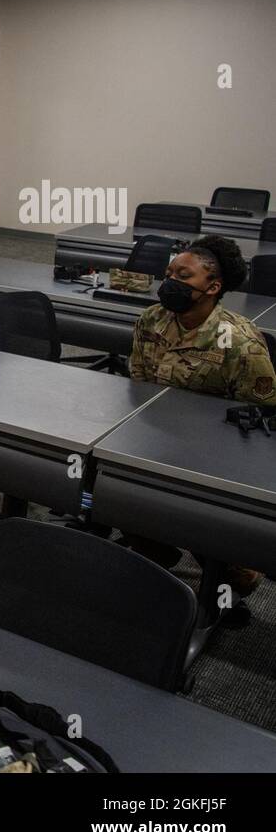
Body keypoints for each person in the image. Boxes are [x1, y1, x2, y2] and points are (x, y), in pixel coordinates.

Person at [128, 234, 275, 595]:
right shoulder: (152, 320)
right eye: (169, 273)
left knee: (204, 526)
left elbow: (262, 415)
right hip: (157, 433)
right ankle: (153, 544)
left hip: (216, 449)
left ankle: (231, 567)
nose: (170, 283)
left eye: (183, 276)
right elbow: (138, 383)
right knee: (117, 484)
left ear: (213, 286)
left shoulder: (239, 341)